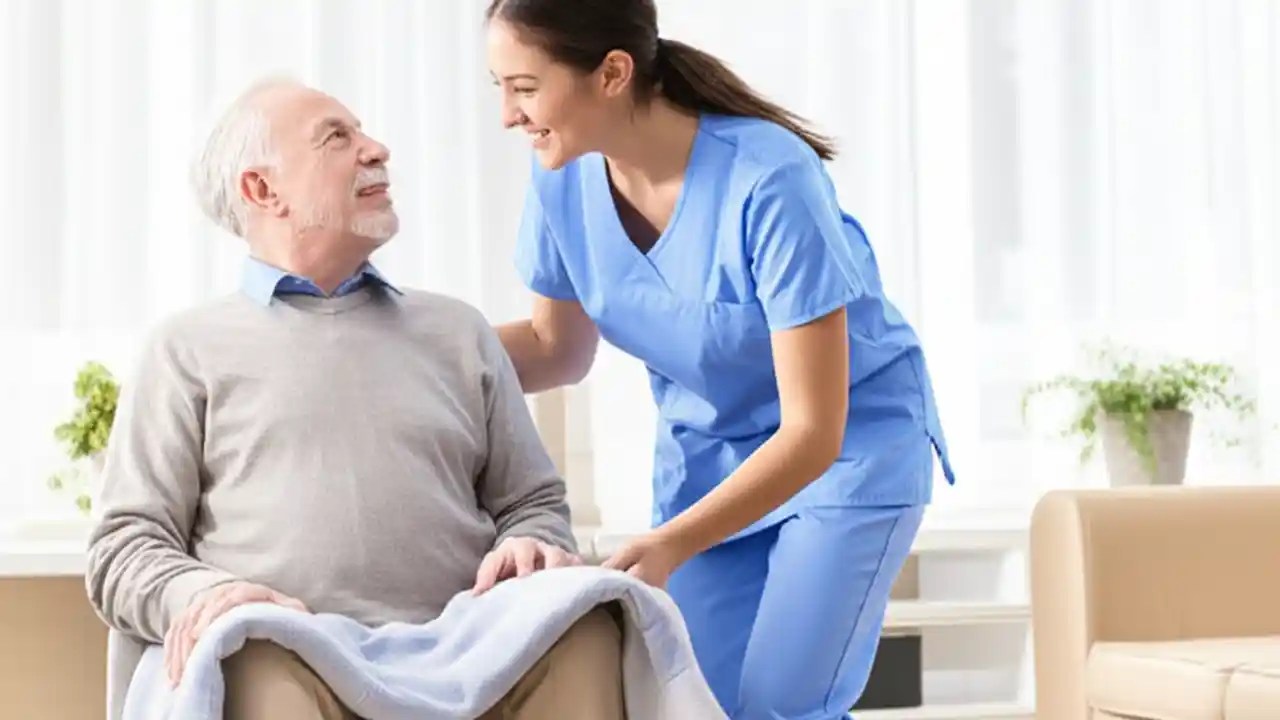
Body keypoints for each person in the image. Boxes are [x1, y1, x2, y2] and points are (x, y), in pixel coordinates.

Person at [85, 78, 625, 720]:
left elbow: (531, 503)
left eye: (361, 133)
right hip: (290, 651)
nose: (376, 149)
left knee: (587, 632)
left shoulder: (458, 331)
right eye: (336, 138)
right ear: (262, 190)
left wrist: (532, 542)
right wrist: (212, 594)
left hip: (463, 654)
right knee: (251, 652)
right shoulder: (186, 348)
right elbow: (124, 546)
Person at [484, 1, 957, 717]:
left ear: (612, 72)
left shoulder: (768, 180)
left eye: (523, 87)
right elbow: (557, 348)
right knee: (689, 701)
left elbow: (812, 432)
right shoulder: (562, 179)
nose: (507, 115)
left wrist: (672, 542)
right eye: (499, 87)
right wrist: (417, 353)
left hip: (845, 456)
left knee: (777, 701)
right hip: (707, 466)